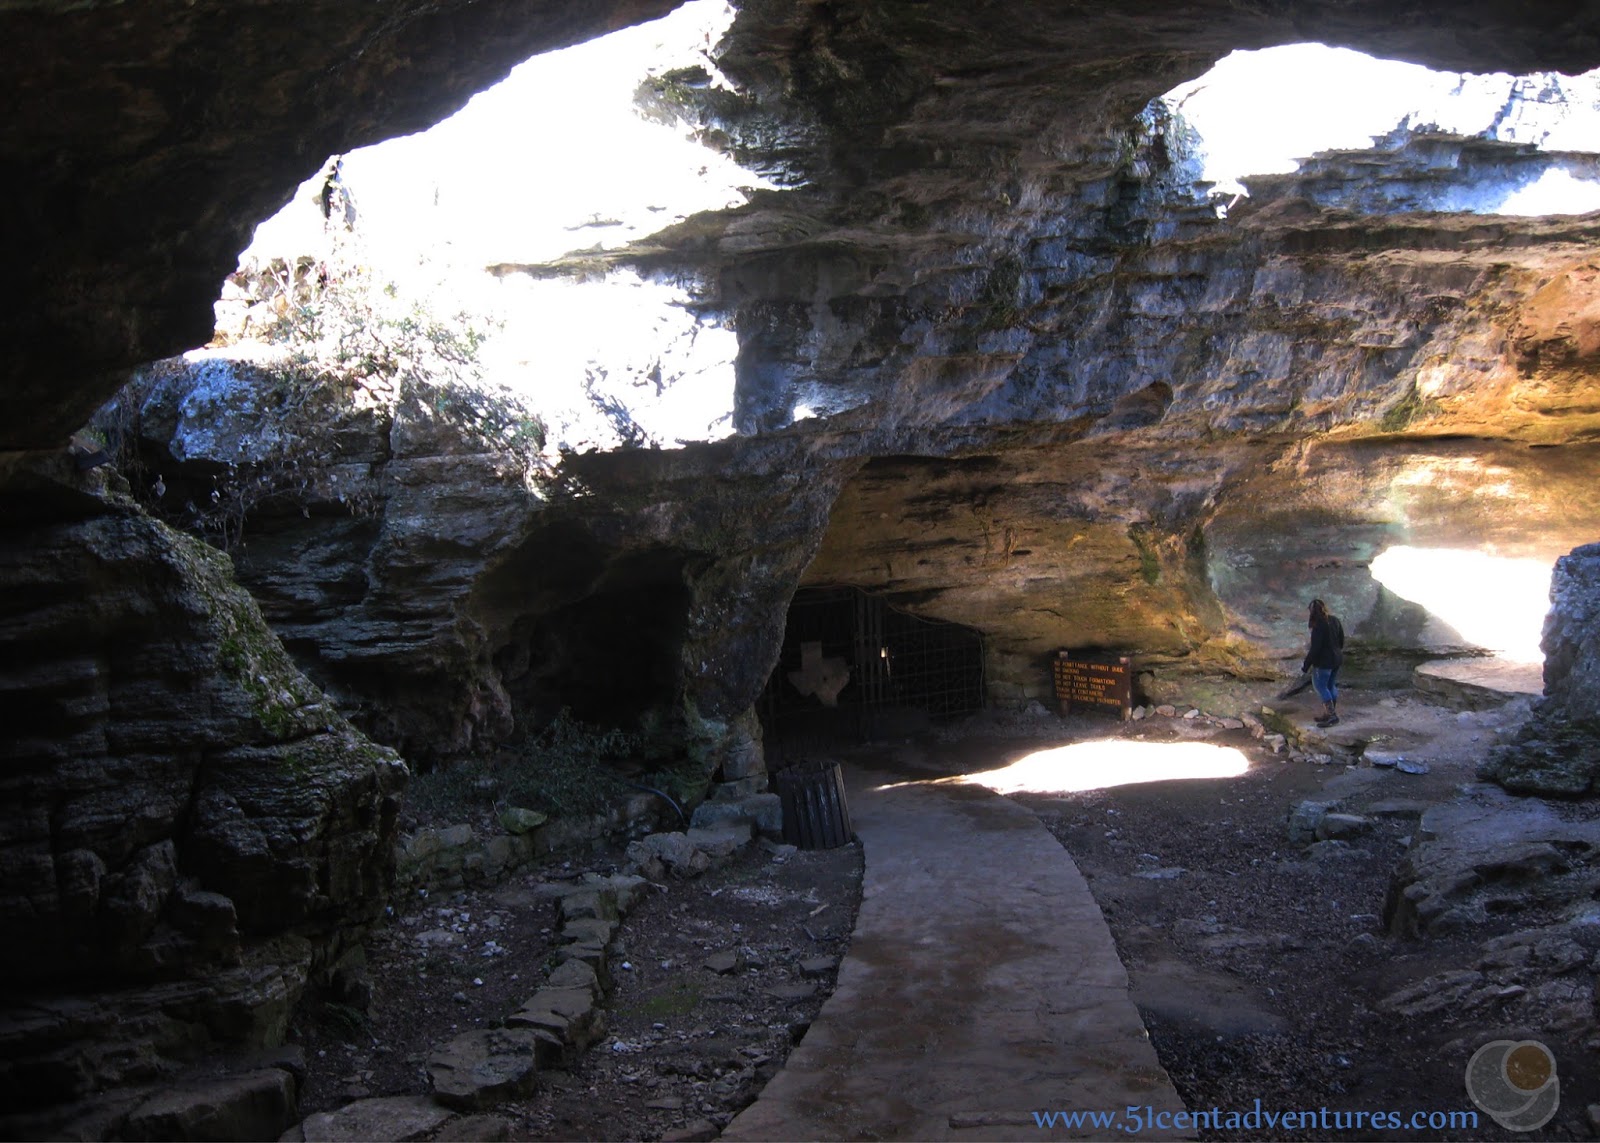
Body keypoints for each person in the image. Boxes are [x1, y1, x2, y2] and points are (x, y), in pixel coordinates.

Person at [1302, 598, 1343, 726]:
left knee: (1320, 687)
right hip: (1336, 659)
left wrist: (1306, 664)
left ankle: (1332, 716)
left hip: (1323, 662)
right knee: (1330, 686)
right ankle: (1329, 714)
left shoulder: (1318, 625)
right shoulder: (1335, 620)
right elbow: (1341, 640)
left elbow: (1315, 648)